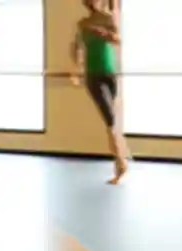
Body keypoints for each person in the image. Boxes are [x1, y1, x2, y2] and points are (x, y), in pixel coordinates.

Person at [72, 0, 130, 184]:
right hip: (94, 76)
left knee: (111, 122)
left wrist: (103, 34)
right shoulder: (82, 24)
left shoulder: (108, 19)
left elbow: (118, 40)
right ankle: (121, 164)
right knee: (111, 120)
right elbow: (76, 48)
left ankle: (121, 159)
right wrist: (76, 67)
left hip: (109, 73)